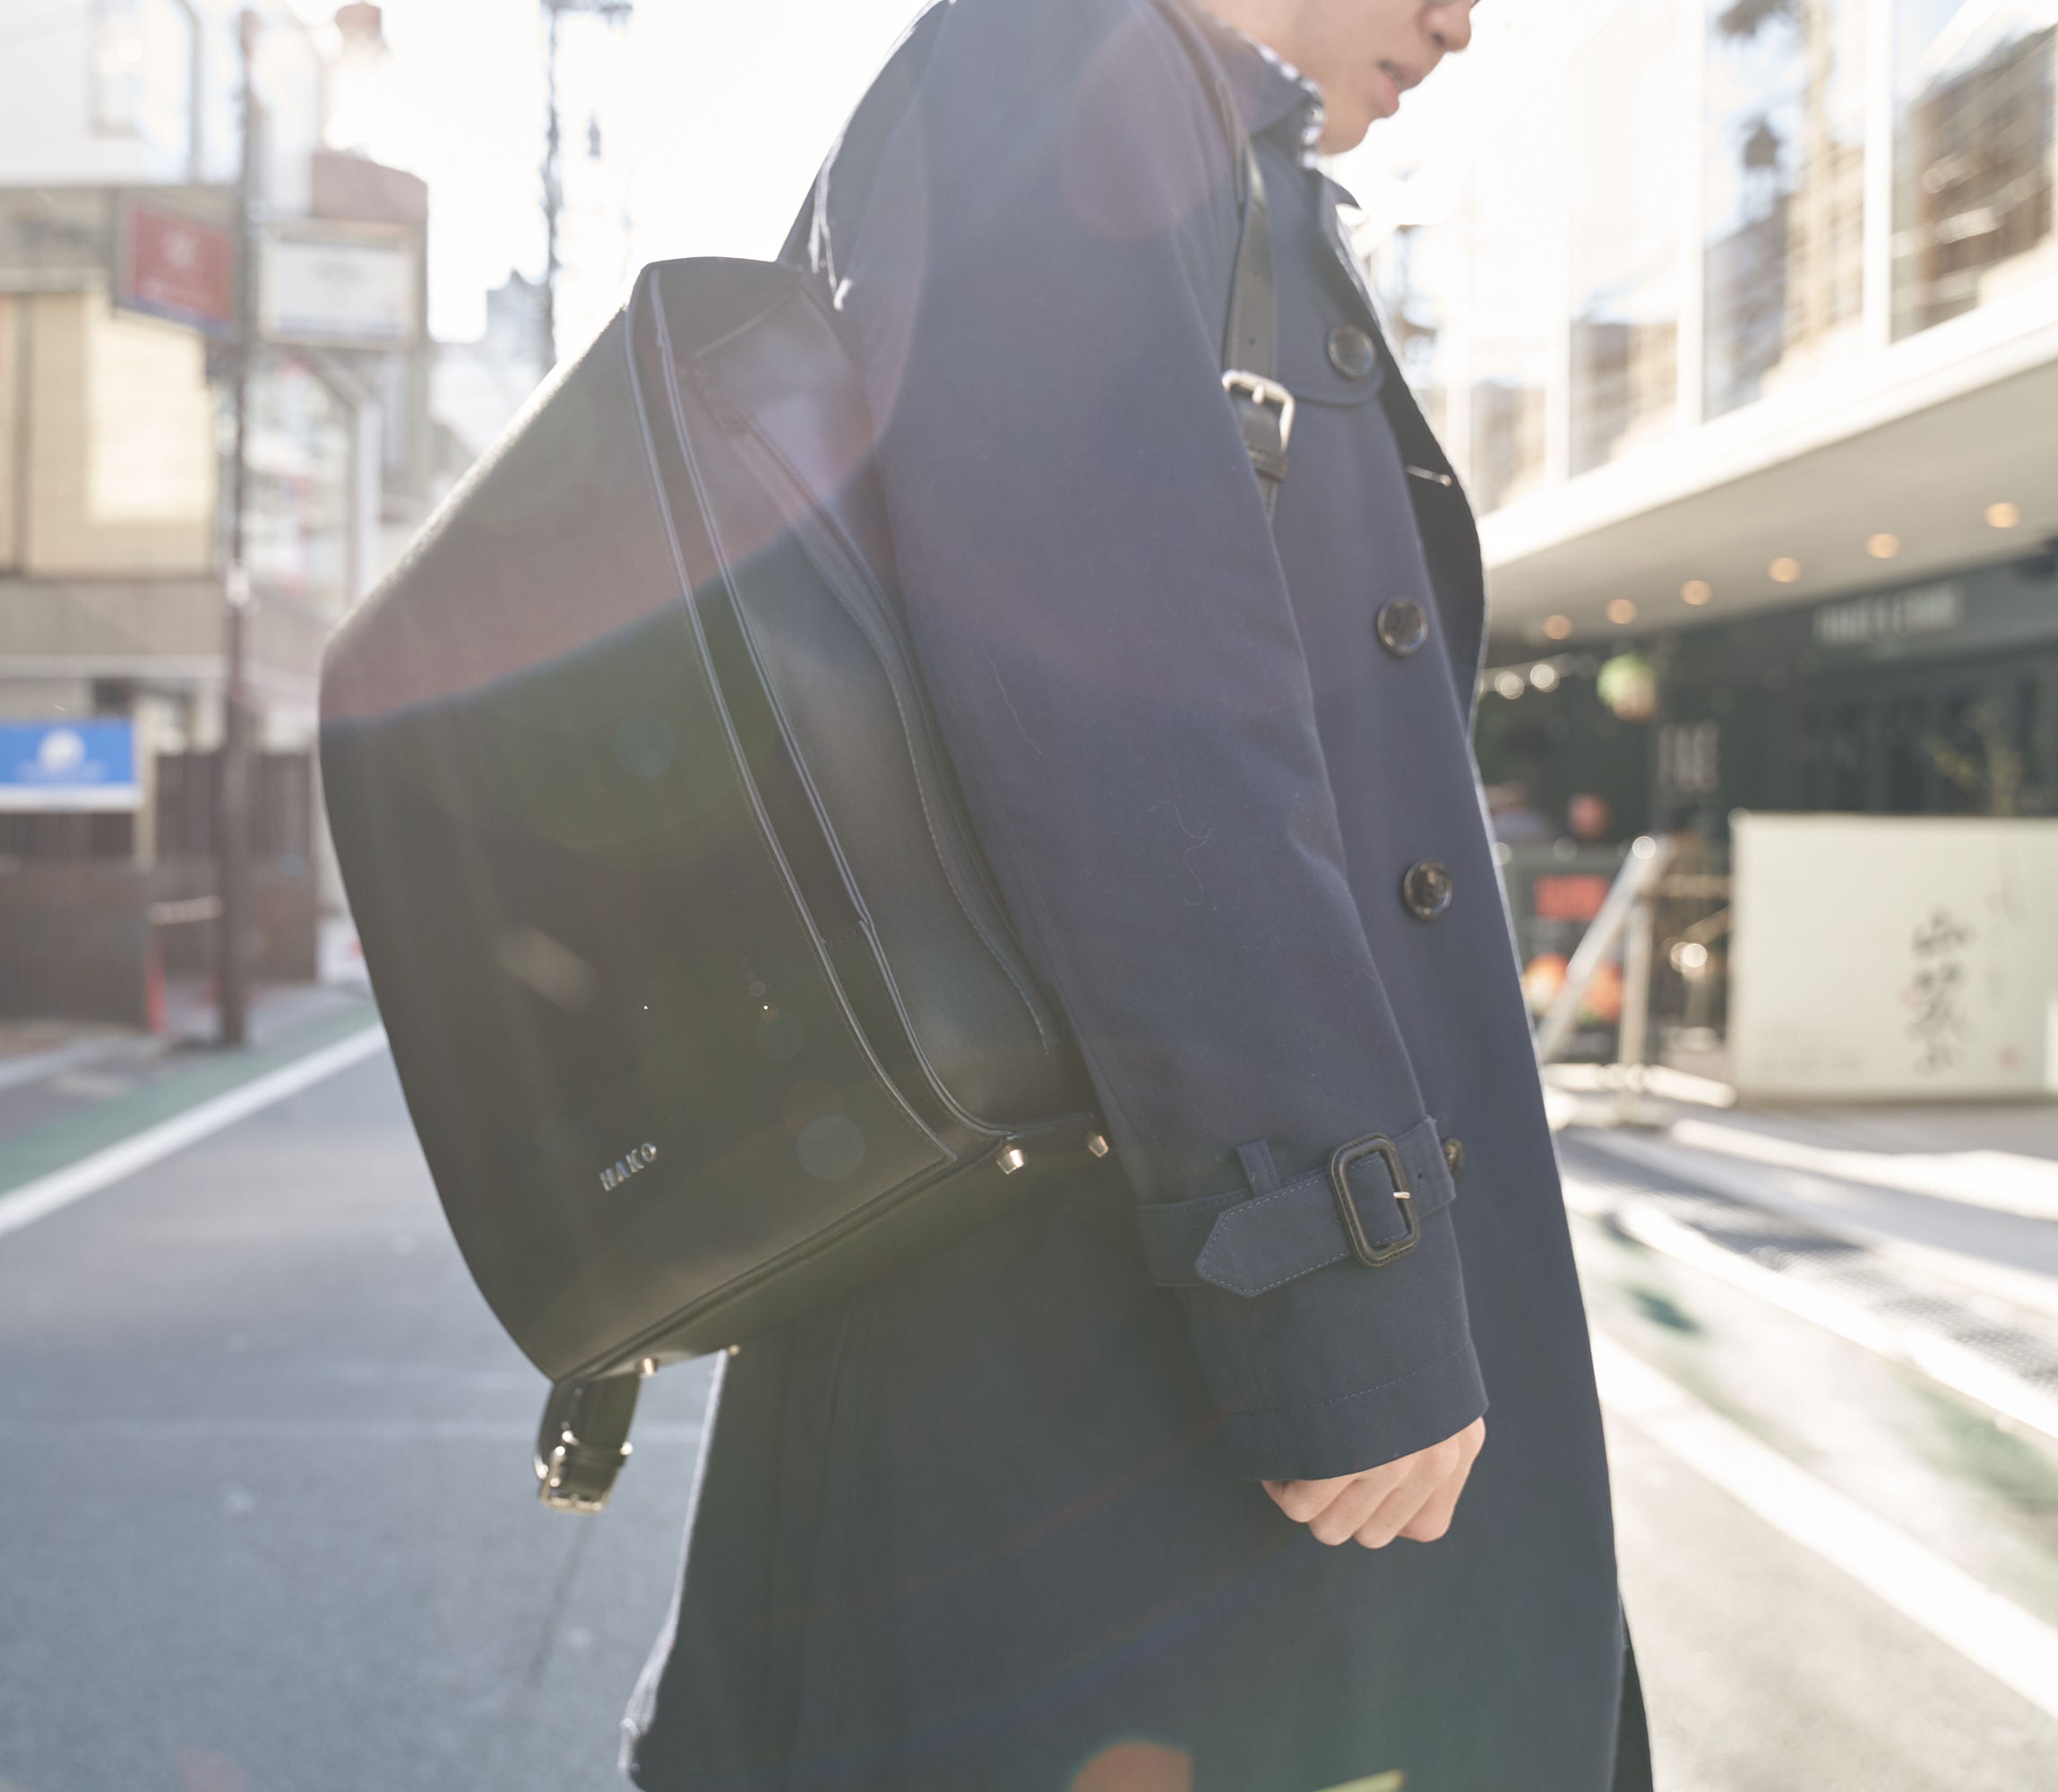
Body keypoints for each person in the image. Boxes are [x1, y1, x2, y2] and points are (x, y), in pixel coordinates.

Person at [623, 3, 1649, 1788]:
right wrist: (1341, 1292)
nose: (1463, 23)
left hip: (1114, 1317)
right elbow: (1144, 721)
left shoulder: (1153, 124)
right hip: (1120, 1366)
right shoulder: (1059, 73)